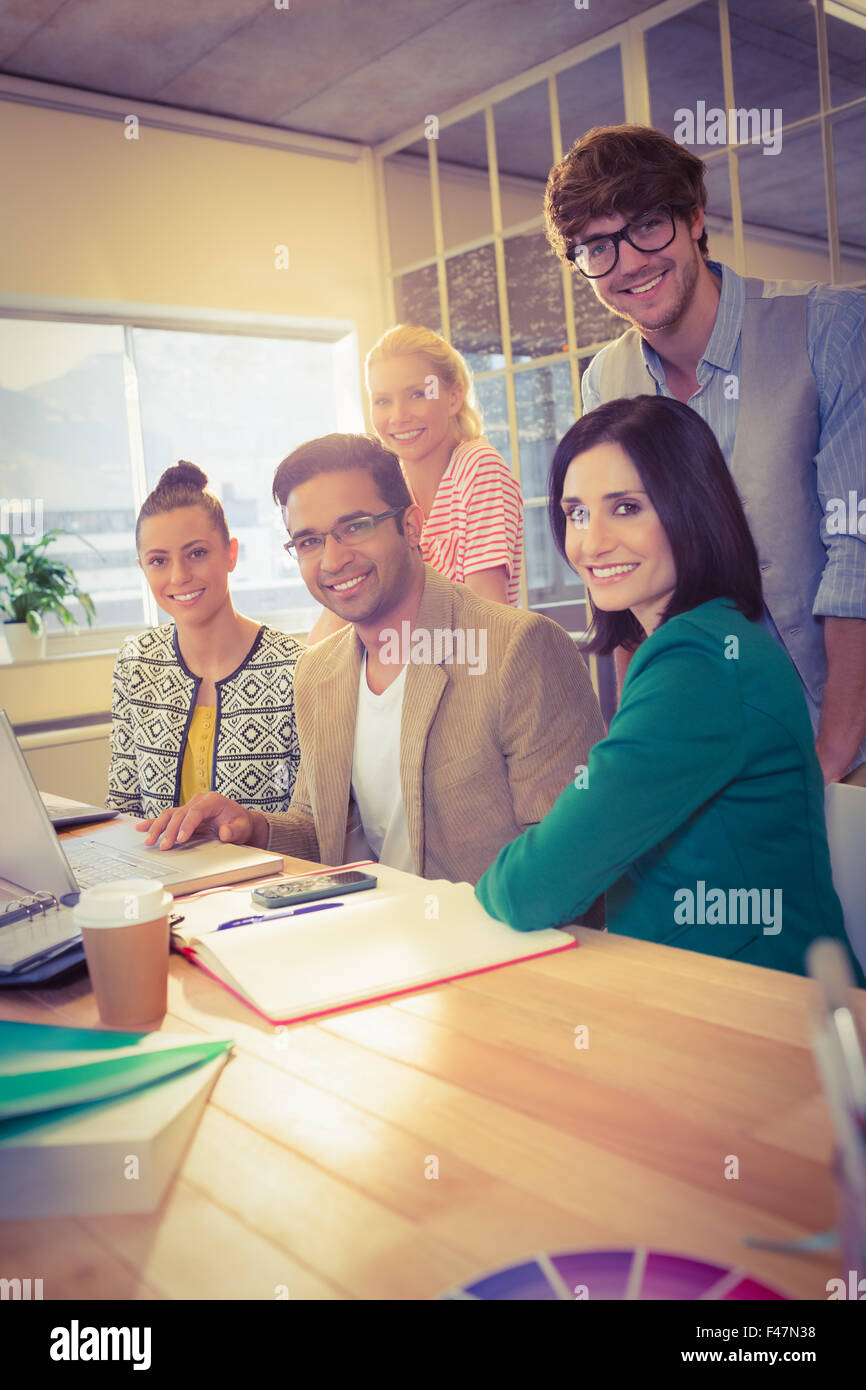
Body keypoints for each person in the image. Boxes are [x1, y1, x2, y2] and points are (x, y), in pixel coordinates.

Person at [475, 397, 863, 983]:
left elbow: (533, 889)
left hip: (764, 1021)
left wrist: (488, 888)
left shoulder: (698, 662)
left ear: (693, 509)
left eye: (626, 508)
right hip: (711, 994)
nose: (592, 542)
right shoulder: (715, 637)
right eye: (576, 513)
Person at [137, 435, 604, 909]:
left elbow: (572, 857)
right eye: (309, 541)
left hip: (495, 951)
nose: (334, 560)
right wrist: (254, 827)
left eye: (355, 527)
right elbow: (322, 830)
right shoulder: (317, 672)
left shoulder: (516, 648)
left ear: (412, 525)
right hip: (373, 944)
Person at [544, 123, 866, 786]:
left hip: (843, 743)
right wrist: (647, 746)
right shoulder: (606, 380)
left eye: (646, 226)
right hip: (714, 749)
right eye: (597, 247)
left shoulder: (828, 328)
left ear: (693, 218)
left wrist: (832, 757)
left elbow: (856, 556)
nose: (627, 262)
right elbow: (625, 579)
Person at [107, 462, 302, 820]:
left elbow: (315, 824)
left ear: (231, 553)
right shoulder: (135, 663)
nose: (179, 576)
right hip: (161, 874)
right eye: (159, 561)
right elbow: (123, 810)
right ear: (142, 568)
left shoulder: (295, 668)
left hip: (269, 874)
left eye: (196, 553)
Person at [306, 325, 524, 642]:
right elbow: (338, 614)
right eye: (382, 401)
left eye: (417, 394)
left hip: (473, 674)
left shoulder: (478, 467)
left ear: (453, 396)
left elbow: (488, 618)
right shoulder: (390, 487)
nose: (398, 416)